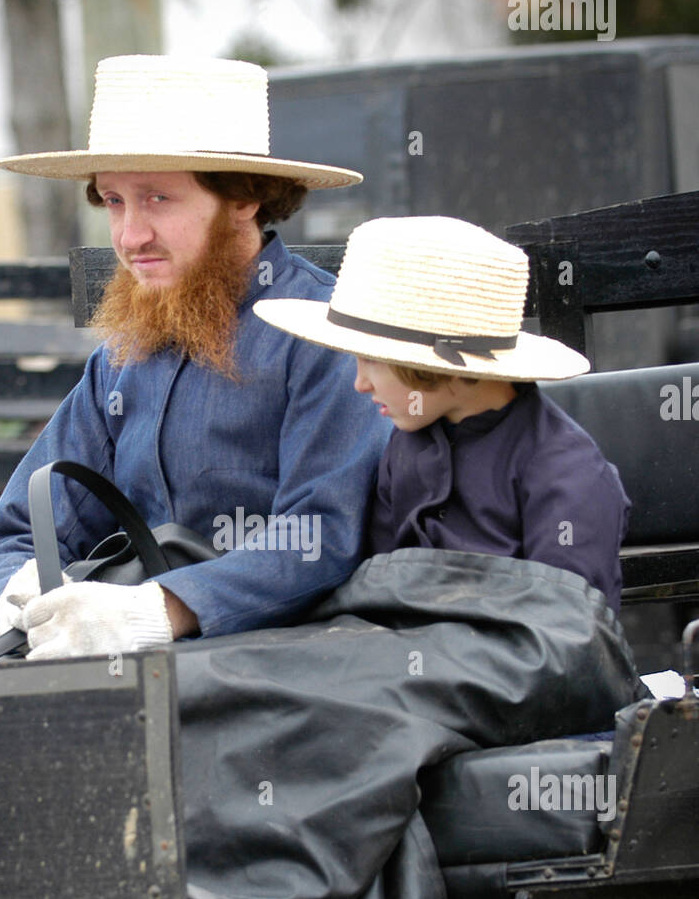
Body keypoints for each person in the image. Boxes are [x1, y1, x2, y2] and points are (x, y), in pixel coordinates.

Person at [0, 55, 391, 659]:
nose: (129, 236)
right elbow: (17, 531)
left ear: (245, 197)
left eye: (158, 198)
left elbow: (322, 536)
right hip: (132, 680)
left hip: (293, 675)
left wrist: (154, 611)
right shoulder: (122, 358)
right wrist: (30, 602)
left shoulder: (325, 335)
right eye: (115, 201)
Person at [254, 214, 630, 611]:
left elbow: (568, 639)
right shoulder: (407, 441)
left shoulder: (566, 474)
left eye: (371, 361)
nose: (360, 384)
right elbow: (376, 589)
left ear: (434, 364)